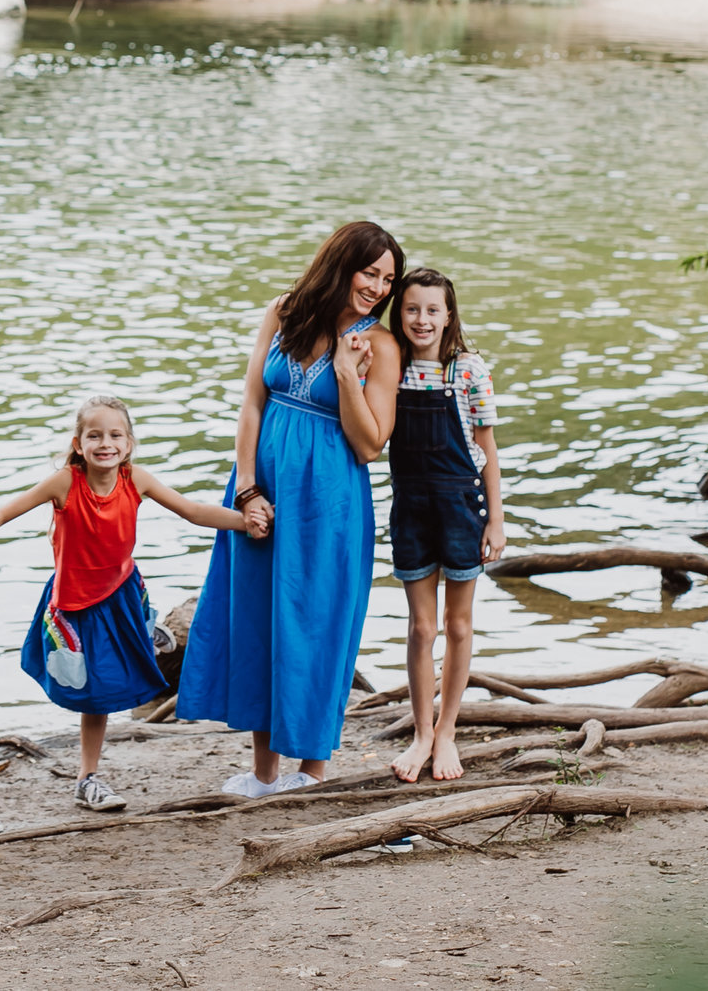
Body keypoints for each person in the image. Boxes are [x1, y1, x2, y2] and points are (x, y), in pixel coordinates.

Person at [177, 221, 404, 794]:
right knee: (256, 616)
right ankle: (263, 773)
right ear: (341, 262)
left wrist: (348, 377)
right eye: (369, 272)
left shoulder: (380, 345)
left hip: (328, 501)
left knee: (315, 622)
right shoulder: (284, 312)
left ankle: (311, 772)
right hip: (264, 489)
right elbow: (252, 403)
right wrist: (248, 488)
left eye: (387, 280)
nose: (377, 287)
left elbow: (370, 444)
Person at [0, 395, 266, 812]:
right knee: (92, 692)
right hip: (77, 604)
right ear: (78, 444)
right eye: (95, 435)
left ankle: (144, 629)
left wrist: (246, 522)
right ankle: (89, 778)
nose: (106, 443)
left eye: (116, 434)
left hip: (122, 594)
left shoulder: (136, 480)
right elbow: (9, 511)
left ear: (130, 442)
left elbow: (192, 511)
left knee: (111, 679)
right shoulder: (65, 482)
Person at [380, 271, 505, 784]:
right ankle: (422, 731)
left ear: (449, 314)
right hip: (409, 507)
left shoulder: (469, 370)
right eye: (412, 309)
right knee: (420, 628)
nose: (422, 320)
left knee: (457, 625)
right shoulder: (390, 365)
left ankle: (449, 729)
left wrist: (496, 520)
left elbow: (488, 449)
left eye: (433, 310)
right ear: (399, 313)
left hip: (460, 505)